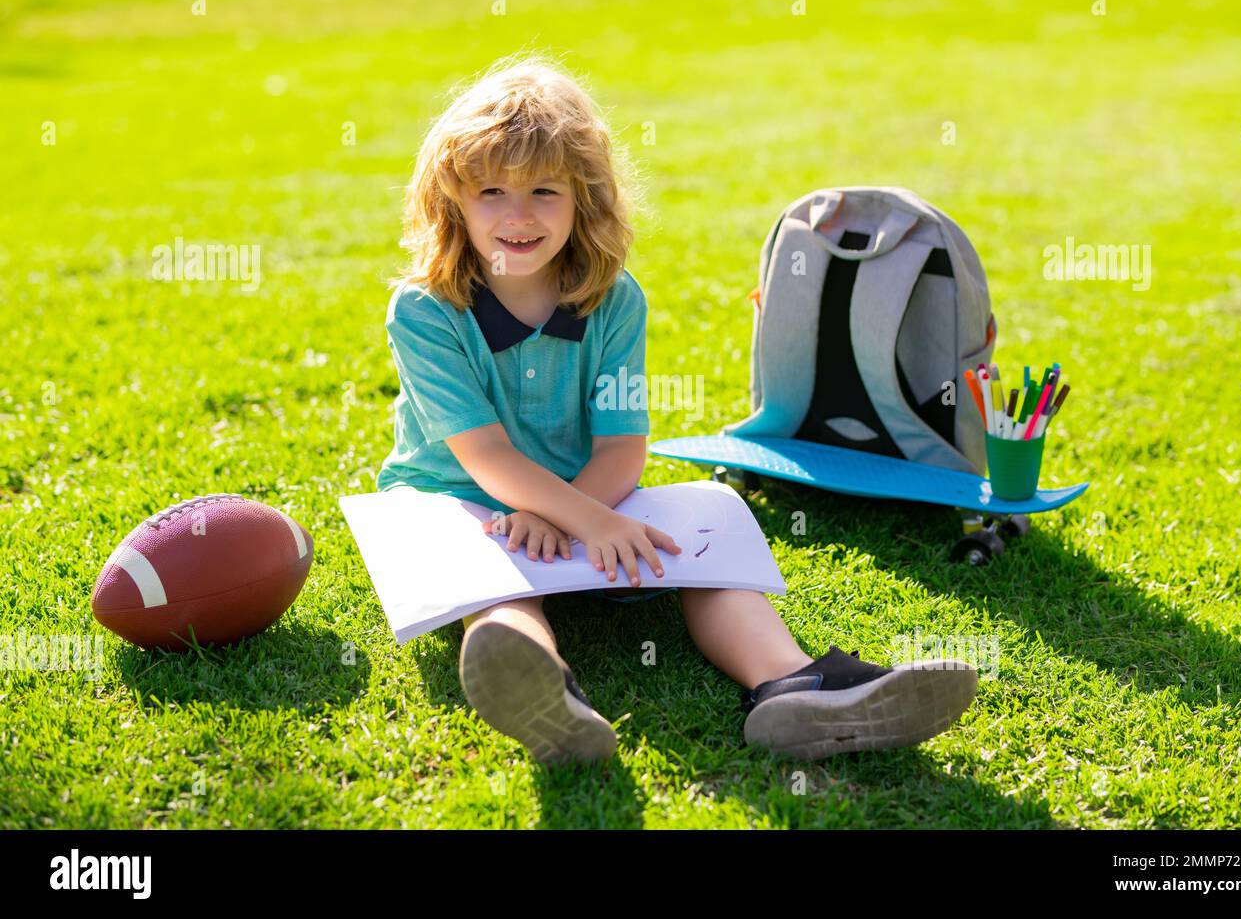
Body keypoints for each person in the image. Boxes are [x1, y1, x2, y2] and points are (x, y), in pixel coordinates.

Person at [377, 53, 978, 764]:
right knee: (500, 599)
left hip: (592, 498)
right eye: (491, 192)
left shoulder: (614, 299)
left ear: (584, 199)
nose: (519, 215)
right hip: (462, 504)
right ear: (453, 202)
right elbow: (485, 457)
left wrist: (573, 514)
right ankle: (550, 699)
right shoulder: (425, 309)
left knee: (705, 541)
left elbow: (621, 451)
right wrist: (578, 521)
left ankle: (791, 684)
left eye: (545, 190)